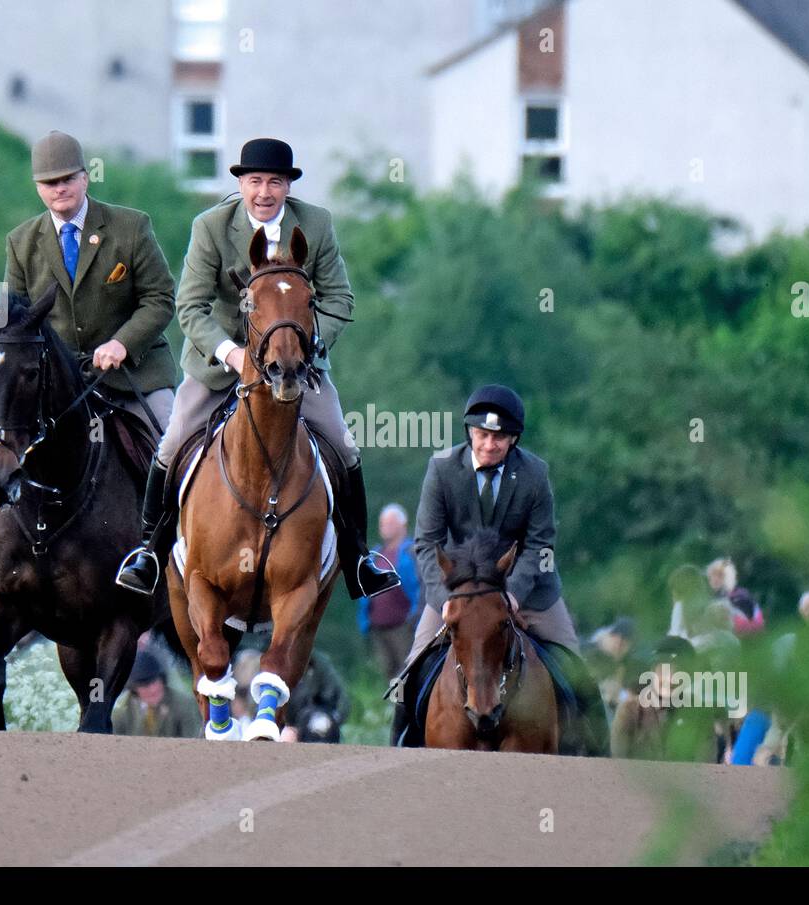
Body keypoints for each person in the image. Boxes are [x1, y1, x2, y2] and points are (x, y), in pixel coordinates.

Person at [114, 137, 400, 601]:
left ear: (288, 186)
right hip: (220, 365)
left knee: (345, 446)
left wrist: (306, 347)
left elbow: (339, 299)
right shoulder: (210, 226)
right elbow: (190, 306)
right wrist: (233, 355)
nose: (264, 192)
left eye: (274, 182)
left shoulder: (316, 225)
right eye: (255, 181)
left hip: (296, 365)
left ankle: (358, 558)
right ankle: (150, 551)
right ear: (242, 184)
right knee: (172, 442)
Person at [0, 130, 178, 581]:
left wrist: (122, 343)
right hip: (59, 386)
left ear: (85, 178)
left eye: (67, 179)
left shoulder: (130, 227)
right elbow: (18, 315)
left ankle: (166, 551)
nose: (59, 189)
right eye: (49, 183)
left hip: (133, 377)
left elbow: (160, 298)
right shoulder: (21, 241)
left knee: (172, 445)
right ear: (38, 188)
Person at [390, 384, 604, 752]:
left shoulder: (535, 474)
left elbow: (540, 546)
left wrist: (513, 594)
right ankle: (396, 752)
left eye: (499, 437)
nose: (489, 444)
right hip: (459, 590)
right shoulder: (442, 469)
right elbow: (425, 544)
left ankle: (602, 759)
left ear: (513, 439)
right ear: (470, 432)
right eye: (482, 435)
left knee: (580, 676)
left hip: (530, 592)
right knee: (410, 674)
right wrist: (443, 599)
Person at [357, 503, 421, 679]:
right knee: (389, 674)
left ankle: (410, 698)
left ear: (403, 525)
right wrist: (365, 620)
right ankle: (396, 698)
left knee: (408, 671)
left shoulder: (412, 552)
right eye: (383, 524)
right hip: (378, 627)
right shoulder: (374, 555)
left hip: (404, 626)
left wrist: (415, 617)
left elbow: (420, 588)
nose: (385, 527)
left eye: (390, 523)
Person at [112, 649, 203, 738]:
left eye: (155, 681)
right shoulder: (120, 711)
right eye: (145, 685)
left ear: (162, 679)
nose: (153, 690)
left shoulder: (185, 705)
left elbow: (193, 742)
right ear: (134, 689)